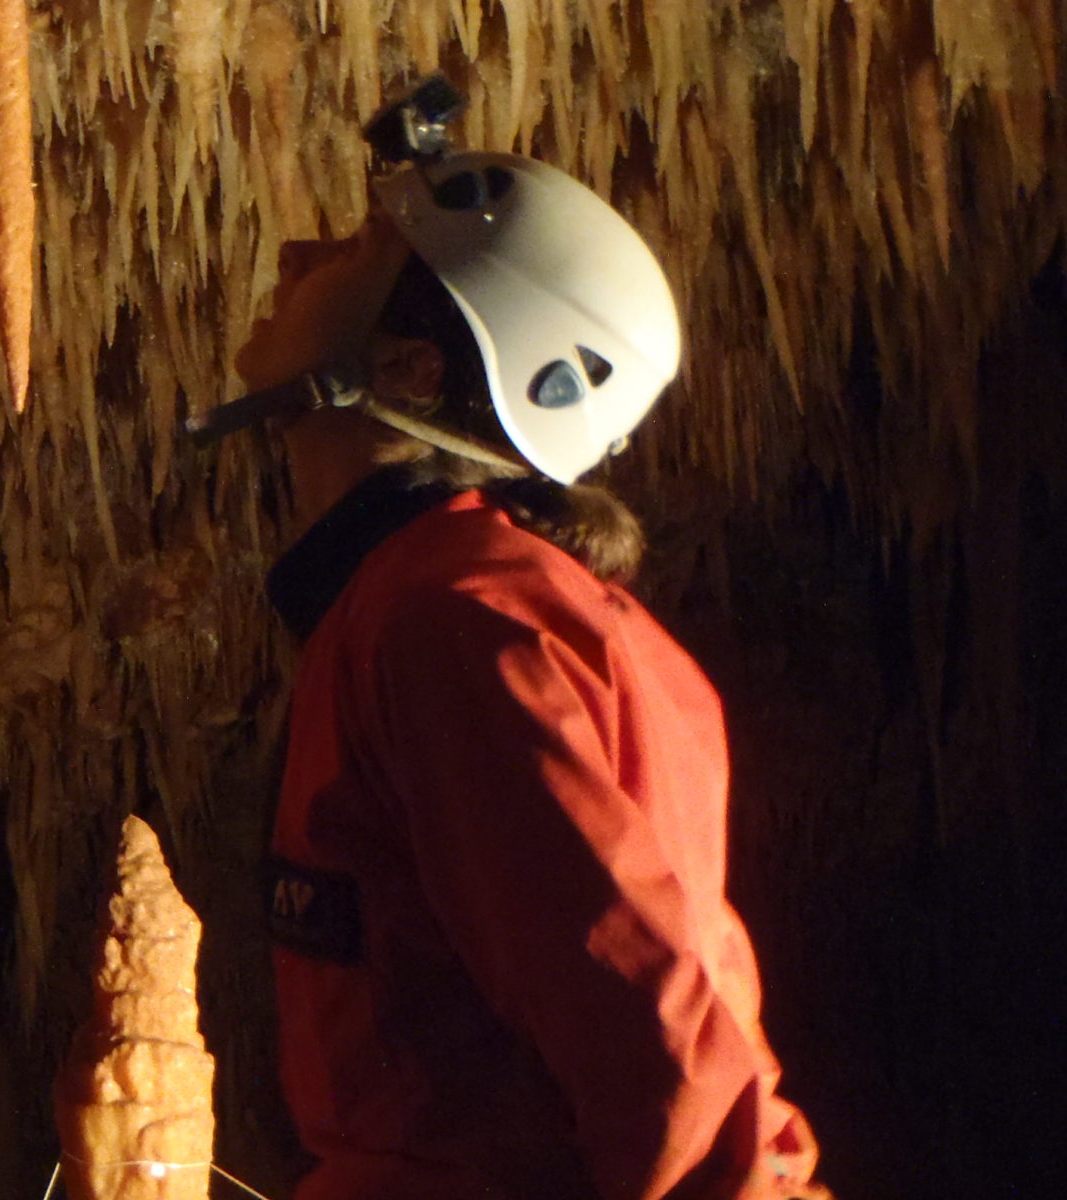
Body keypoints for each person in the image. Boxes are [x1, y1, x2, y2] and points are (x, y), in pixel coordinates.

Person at [220, 127, 824, 1200]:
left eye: (356, 251)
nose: (295, 256)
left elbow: (650, 1029)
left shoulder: (449, 620)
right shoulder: (475, 599)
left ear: (405, 369)